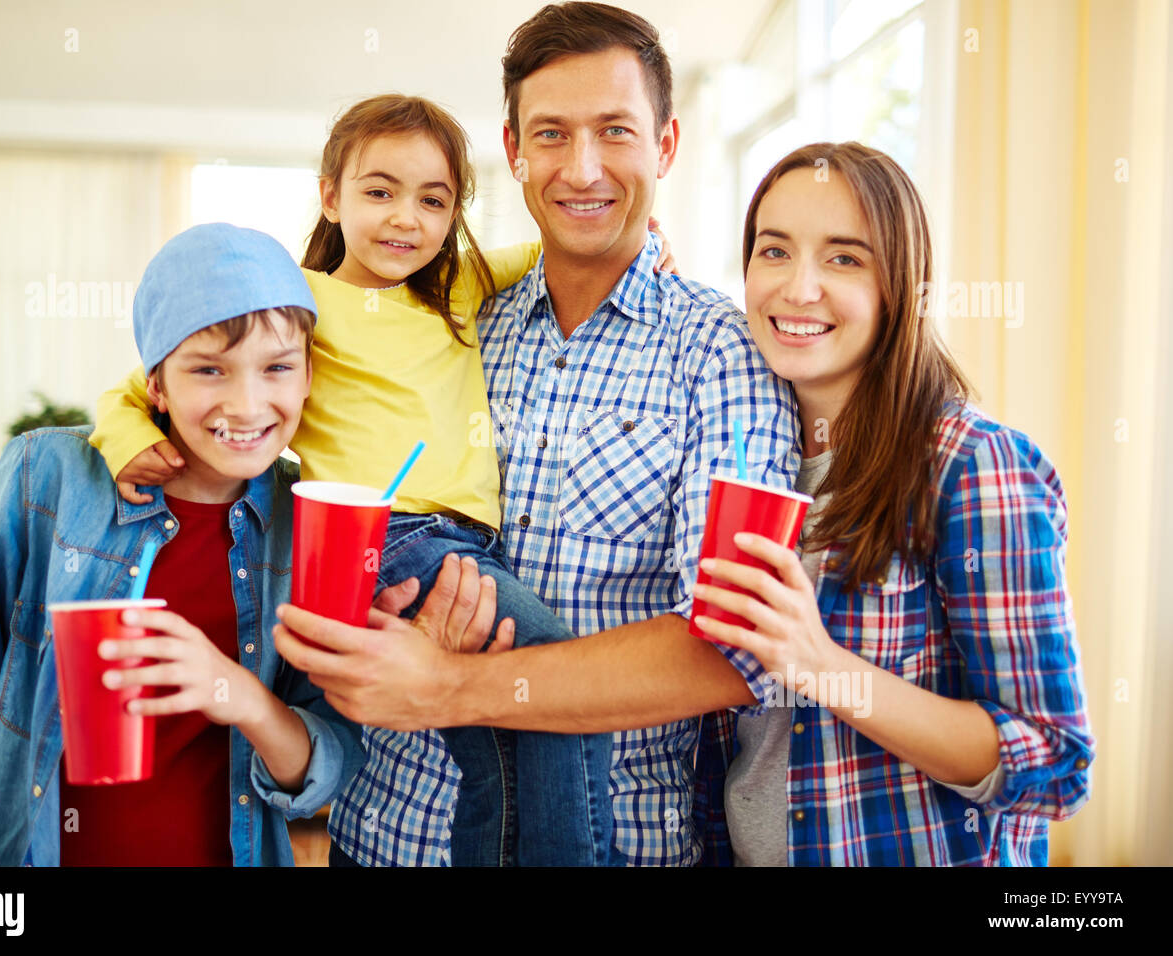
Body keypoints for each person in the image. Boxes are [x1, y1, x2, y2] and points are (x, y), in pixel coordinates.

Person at [272, 2, 802, 867]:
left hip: (615, 843)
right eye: (551, 134)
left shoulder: (725, 353)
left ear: (666, 146)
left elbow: (736, 652)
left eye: (616, 132)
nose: (582, 167)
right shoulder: (456, 318)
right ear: (515, 153)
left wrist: (455, 685)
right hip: (391, 831)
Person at [89, 94, 673, 866]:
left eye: (433, 200)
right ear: (330, 195)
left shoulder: (456, 286)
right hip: (392, 541)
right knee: (569, 689)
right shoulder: (302, 301)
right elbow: (140, 383)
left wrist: (638, 238)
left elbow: (553, 251)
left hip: (467, 547)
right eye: (379, 191)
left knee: (499, 745)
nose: (406, 218)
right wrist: (129, 439)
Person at [0, 223, 366, 866]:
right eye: (208, 369)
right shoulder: (48, 475)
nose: (247, 403)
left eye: (277, 367)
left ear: (308, 375)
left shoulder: (312, 517)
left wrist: (238, 693)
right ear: (157, 384)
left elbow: (321, 772)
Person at [689, 142, 1094, 865]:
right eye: (774, 251)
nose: (797, 288)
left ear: (901, 285)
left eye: (844, 259)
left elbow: (1054, 764)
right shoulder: (745, 455)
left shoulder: (972, 465)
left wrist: (821, 666)